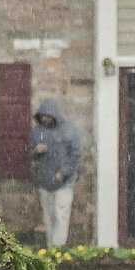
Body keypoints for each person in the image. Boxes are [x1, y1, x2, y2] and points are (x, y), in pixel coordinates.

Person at [27, 99, 82, 248]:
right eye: (43, 116)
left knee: (61, 214)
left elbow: (76, 155)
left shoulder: (69, 131)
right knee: (48, 217)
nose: (45, 119)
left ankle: (59, 247)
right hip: (44, 182)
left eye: (48, 116)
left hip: (64, 183)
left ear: (54, 115)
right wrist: (36, 151)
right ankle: (51, 248)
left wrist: (63, 172)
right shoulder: (37, 132)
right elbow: (30, 155)